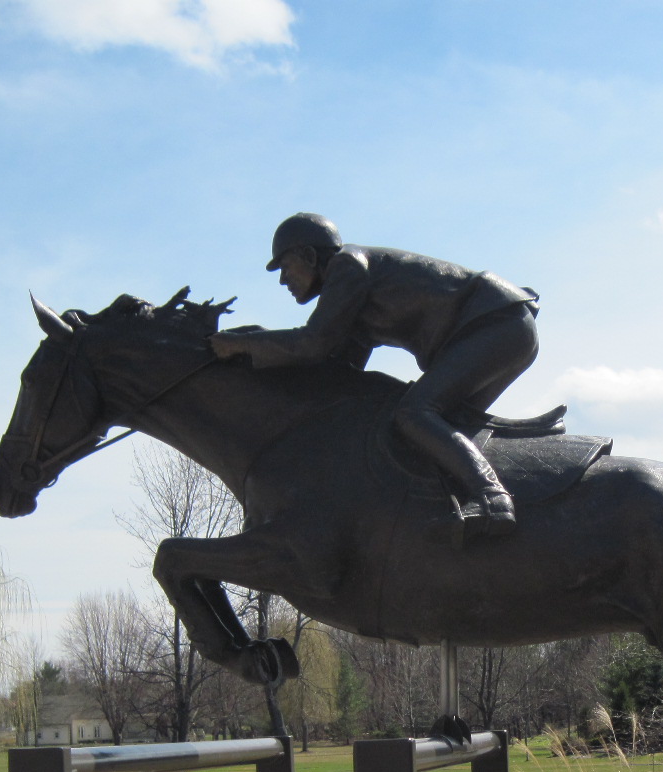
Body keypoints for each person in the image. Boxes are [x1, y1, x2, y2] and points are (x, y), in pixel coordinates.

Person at [209, 213, 539, 538]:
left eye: (284, 266)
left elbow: (312, 343)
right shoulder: (350, 301)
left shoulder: (348, 265)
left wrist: (243, 343)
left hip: (496, 323)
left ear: (309, 256)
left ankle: (492, 496)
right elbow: (339, 374)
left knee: (415, 413)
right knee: (435, 433)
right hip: (502, 325)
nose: (283, 280)